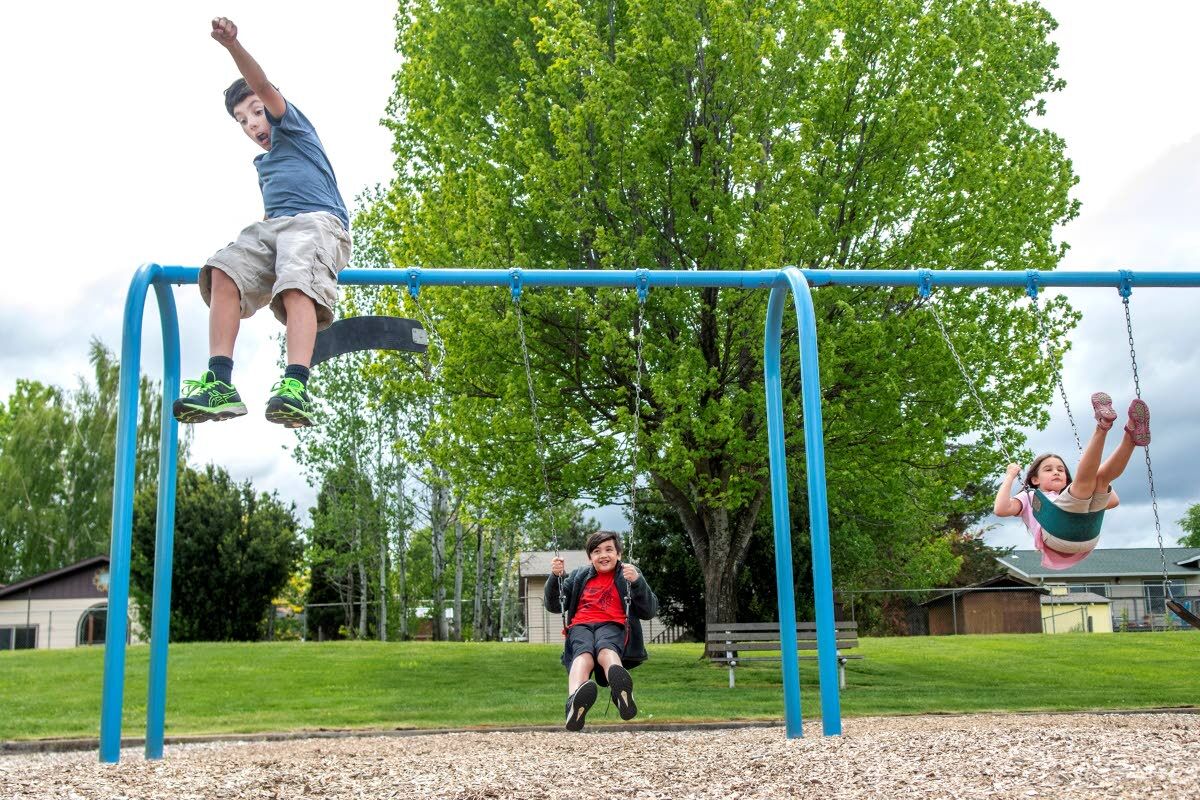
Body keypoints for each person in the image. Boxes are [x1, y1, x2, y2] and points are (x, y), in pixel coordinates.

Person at [172, 17, 351, 429]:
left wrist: (233, 46)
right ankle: (220, 382)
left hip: (319, 223)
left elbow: (264, 86)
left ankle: (296, 386)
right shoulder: (264, 163)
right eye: (243, 120)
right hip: (275, 228)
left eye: (256, 112)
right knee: (223, 269)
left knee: (295, 276)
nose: (253, 124)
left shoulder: (293, 127)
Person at [993, 392, 1151, 568]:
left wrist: (1094, 473)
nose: (1056, 472)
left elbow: (1113, 501)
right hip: (1058, 533)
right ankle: (1103, 424)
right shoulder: (1030, 497)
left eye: (1061, 470)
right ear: (1035, 479)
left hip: (1087, 535)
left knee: (1101, 479)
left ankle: (1132, 433)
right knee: (1085, 486)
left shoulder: (1074, 492)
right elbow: (1000, 509)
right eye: (1049, 469)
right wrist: (1010, 476)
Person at [545, 531, 658, 731]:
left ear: (619, 554)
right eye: (596, 551)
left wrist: (637, 581)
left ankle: (621, 692)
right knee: (583, 655)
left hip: (613, 623)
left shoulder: (628, 573)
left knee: (607, 650)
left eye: (609, 550)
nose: (603, 555)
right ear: (590, 558)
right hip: (580, 625)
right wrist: (555, 577)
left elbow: (649, 611)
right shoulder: (580, 575)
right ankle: (574, 703)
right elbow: (554, 605)